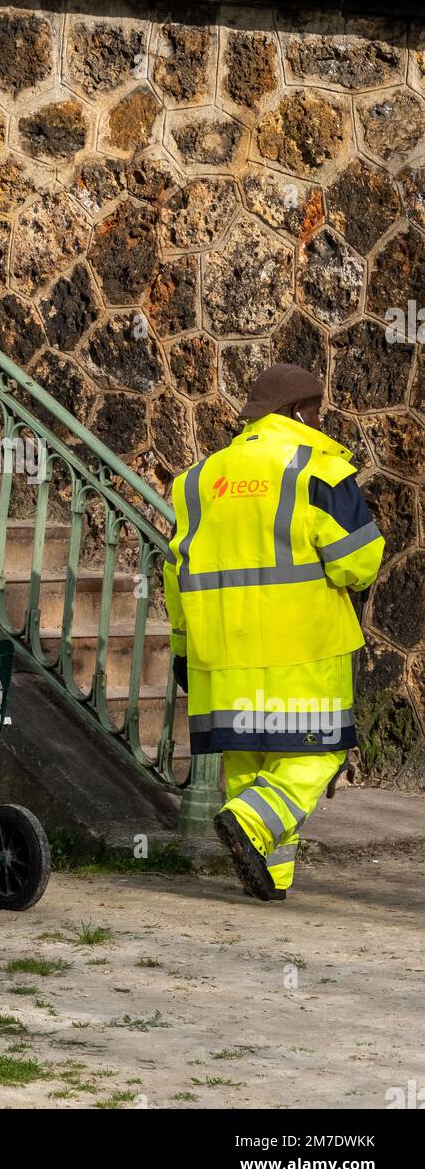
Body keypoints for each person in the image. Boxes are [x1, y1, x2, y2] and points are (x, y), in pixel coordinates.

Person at [163, 363, 384, 901]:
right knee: (318, 753)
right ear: (295, 412)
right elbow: (359, 563)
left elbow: (174, 571)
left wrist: (181, 648)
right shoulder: (317, 469)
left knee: (250, 760)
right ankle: (250, 826)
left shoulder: (198, 480)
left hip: (221, 652)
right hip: (302, 650)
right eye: (315, 412)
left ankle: (271, 877)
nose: (319, 421)